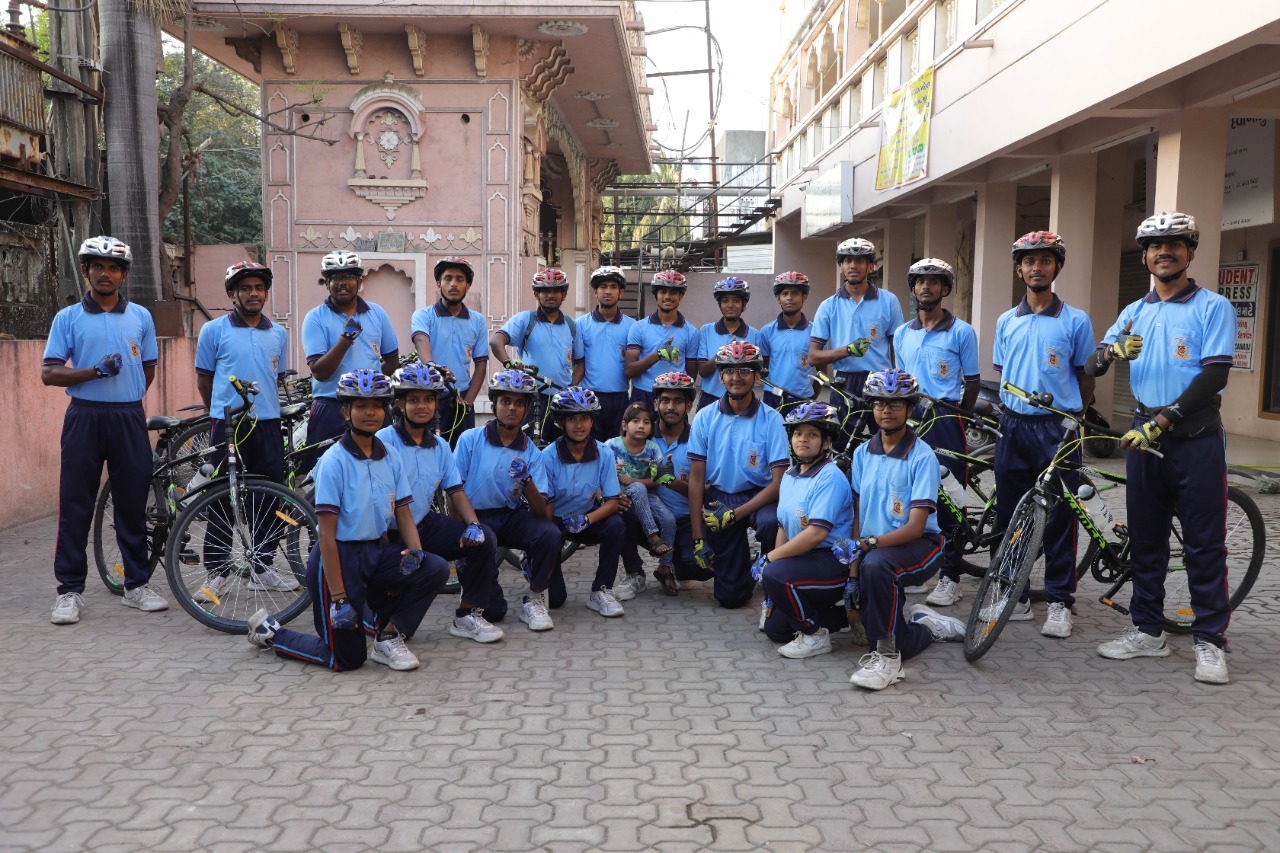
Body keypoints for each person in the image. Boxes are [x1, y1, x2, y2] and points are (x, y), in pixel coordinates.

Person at [1085, 212, 1235, 684]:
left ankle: (1210, 641)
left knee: (1204, 546)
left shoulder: (1213, 307)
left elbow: (1215, 374)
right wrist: (1112, 353)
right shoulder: (1135, 311)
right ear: (1145, 256)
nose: (1163, 252)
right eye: (1154, 246)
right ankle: (1147, 631)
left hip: (1194, 439)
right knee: (1147, 542)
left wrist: (1165, 420)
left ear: (1190, 252)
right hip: (1142, 437)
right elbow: (1093, 362)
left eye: (1174, 244)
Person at [247, 370, 449, 671]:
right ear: (345, 411)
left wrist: (415, 551)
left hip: (377, 552)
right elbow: (326, 537)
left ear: (387, 409)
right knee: (347, 659)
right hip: (338, 560)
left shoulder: (391, 456)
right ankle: (273, 633)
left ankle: (388, 635)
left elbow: (404, 512)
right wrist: (339, 598)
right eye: (360, 406)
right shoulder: (333, 461)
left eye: (378, 405)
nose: (371, 412)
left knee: (434, 568)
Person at [43, 236, 168, 623]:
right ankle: (69, 591)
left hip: (128, 417)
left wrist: (125, 397)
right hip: (84, 416)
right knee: (76, 503)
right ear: (86, 271)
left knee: (132, 503)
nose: (105, 273)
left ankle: (136, 585)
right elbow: (49, 372)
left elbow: (147, 369)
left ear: (124, 275)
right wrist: (94, 372)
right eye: (97, 266)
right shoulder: (68, 318)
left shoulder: (141, 317)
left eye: (113, 267)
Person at [990, 231, 1095, 637]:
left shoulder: (1076, 320)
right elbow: (1004, 373)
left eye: (1045, 260)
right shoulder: (1005, 320)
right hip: (1013, 426)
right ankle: (1013, 596)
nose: (1036, 267)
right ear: (1019, 269)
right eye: (1029, 261)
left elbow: (1087, 378)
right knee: (1010, 513)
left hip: (1057, 428)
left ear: (1057, 267)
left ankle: (1059, 602)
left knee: (1059, 517)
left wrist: (1074, 419)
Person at [845, 369, 966, 691]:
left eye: (896, 403)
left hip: (921, 544)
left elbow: (915, 527)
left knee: (877, 566)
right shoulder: (861, 453)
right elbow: (857, 514)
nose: (887, 410)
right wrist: (853, 571)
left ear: (910, 409)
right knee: (872, 588)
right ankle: (926, 628)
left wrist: (869, 546)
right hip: (875, 548)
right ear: (871, 407)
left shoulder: (922, 456)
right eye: (880, 403)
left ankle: (888, 660)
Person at [193, 261, 299, 601]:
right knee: (223, 496)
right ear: (232, 294)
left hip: (267, 424)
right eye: (245, 288)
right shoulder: (214, 330)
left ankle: (262, 568)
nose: (253, 293)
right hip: (228, 426)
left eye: (258, 288)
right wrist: (221, 412)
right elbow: (204, 379)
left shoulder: (278, 333)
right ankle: (217, 572)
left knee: (269, 497)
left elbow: (276, 378)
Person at [377, 363, 503, 644]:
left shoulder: (441, 446)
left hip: (422, 522)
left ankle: (467, 615)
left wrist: (473, 525)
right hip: (385, 535)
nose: (422, 406)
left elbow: (456, 490)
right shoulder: (384, 441)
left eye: (429, 399)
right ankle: (393, 633)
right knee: (431, 568)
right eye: (414, 400)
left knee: (485, 539)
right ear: (399, 404)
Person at [889, 259, 980, 608]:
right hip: (908, 417)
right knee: (911, 495)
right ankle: (915, 568)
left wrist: (959, 417)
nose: (926, 287)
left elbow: (971, 383)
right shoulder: (902, 332)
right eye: (920, 282)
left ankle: (950, 576)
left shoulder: (962, 331)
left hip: (945, 417)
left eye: (934, 282)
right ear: (913, 289)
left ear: (945, 289)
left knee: (950, 498)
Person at [453, 369, 564, 631]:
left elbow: (541, 511)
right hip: (476, 518)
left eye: (519, 403)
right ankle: (470, 572)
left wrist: (527, 482)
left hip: (509, 516)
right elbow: (453, 492)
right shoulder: (470, 439)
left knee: (549, 533)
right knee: (494, 612)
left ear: (526, 410)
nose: (512, 408)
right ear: (494, 405)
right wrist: (460, 533)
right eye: (505, 401)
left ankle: (534, 598)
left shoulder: (531, 451)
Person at [688, 341, 789, 609]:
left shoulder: (772, 419)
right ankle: (744, 568)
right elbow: (696, 480)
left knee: (771, 523)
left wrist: (735, 515)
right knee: (731, 598)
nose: (737, 377)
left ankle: (771, 571)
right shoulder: (704, 417)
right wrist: (699, 540)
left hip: (761, 496)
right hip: (720, 496)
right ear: (720, 376)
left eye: (745, 370)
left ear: (757, 376)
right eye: (729, 371)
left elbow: (779, 482)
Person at [756, 402, 855, 658]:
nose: (803, 440)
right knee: (775, 629)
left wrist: (770, 562)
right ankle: (850, 617)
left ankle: (815, 635)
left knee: (777, 574)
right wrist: (771, 591)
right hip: (805, 560)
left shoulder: (829, 477)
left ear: (826, 442)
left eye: (812, 434)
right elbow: (783, 527)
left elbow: (816, 534)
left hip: (832, 560)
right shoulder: (790, 475)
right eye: (798, 434)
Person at [301, 250, 400, 466]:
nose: (342, 283)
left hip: (372, 404)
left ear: (360, 281)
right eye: (335, 278)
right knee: (324, 472)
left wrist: (368, 384)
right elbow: (320, 372)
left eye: (349, 277)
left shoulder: (377, 313)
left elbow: (392, 360)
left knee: (379, 467)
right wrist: (346, 339)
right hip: (331, 407)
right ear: (327, 283)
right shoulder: (315, 318)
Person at [808, 237, 904, 451]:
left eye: (860, 260)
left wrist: (899, 381)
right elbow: (813, 357)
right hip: (845, 384)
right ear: (841, 267)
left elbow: (899, 348)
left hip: (882, 383)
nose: (853, 265)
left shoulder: (889, 301)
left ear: (871, 266)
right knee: (842, 446)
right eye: (847, 260)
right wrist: (847, 350)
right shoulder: (828, 306)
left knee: (889, 444)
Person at [615, 371, 706, 598]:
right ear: (656, 404)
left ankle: (671, 565)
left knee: (696, 568)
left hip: (683, 520)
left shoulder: (699, 439)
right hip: (641, 514)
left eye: (678, 401)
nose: (671, 407)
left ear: (689, 405)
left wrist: (670, 481)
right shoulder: (641, 432)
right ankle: (635, 574)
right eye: (665, 400)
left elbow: (706, 490)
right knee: (618, 515)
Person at [540, 387, 628, 618]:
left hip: (586, 517)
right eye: (571, 419)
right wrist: (548, 539)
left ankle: (601, 591)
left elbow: (611, 501)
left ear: (592, 421)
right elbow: (546, 506)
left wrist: (586, 519)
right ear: (560, 422)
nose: (579, 425)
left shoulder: (604, 452)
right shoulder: (548, 456)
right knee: (556, 600)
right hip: (555, 521)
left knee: (616, 525)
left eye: (585, 418)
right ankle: (539, 565)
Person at [489, 268, 584, 443]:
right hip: (531, 396)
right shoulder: (525, 320)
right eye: (545, 290)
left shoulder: (571, 325)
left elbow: (580, 363)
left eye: (556, 290)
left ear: (564, 294)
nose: (551, 295)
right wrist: (509, 363)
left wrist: (571, 387)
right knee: (527, 443)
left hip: (561, 398)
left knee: (559, 447)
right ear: (536, 294)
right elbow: (496, 341)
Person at [409, 257, 489, 447]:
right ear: (439, 283)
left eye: (460, 279)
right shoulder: (423, 315)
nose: (453, 284)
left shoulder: (477, 321)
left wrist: (468, 402)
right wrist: (431, 366)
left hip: (460, 401)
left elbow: (481, 364)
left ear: (468, 285)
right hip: (428, 398)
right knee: (427, 453)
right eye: (448, 279)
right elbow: (421, 340)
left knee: (461, 458)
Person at [607, 404, 676, 569]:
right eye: (635, 421)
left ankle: (665, 566)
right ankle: (652, 536)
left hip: (643, 492)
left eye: (646, 422)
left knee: (669, 519)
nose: (641, 425)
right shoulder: (611, 446)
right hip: (619, 493)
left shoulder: (652, 449)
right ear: (624, 425)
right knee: (638, 489)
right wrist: (610, 471)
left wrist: (635, 481)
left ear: (651, 428)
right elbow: (597, 474)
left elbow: (657, 480)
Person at [625, 270, 701, 412]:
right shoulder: (639, 327)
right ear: (656, 295)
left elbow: (690, 376)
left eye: (673, 292)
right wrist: (658, 355)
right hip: (643, 395)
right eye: (663, 291)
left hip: (674, 397)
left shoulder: (692, 332)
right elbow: (629, 370)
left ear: (681, 296)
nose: (667, 296)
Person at [579, 265, 637, 442]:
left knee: (616, 449)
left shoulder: (633, 326)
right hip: (589, 397)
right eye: (603, 287)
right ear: (595, 292)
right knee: (589, 447)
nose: (608, 291)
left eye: (613, 287)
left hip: (620, 398)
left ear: (621, 292)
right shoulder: (580, 324)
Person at [696, 277, 767, 410]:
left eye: (736, 300)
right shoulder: (706, 330)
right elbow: (703, 371)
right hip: (711, 398)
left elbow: (757, 373)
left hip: (743, 400)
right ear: (719, 305)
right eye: (725, 300)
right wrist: (723, 354)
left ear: (744, 304)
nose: (730, 305)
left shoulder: (755, 335)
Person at [760, 271, 817, 413]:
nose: (789, 298)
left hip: (803, 398)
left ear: (805, 297)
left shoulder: (815, 331)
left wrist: (811, 398)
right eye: (785, 293)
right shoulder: (767, 331)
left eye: (795, 293)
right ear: (778, 298)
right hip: (773, 398)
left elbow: (821, 370)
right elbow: (764, 369)